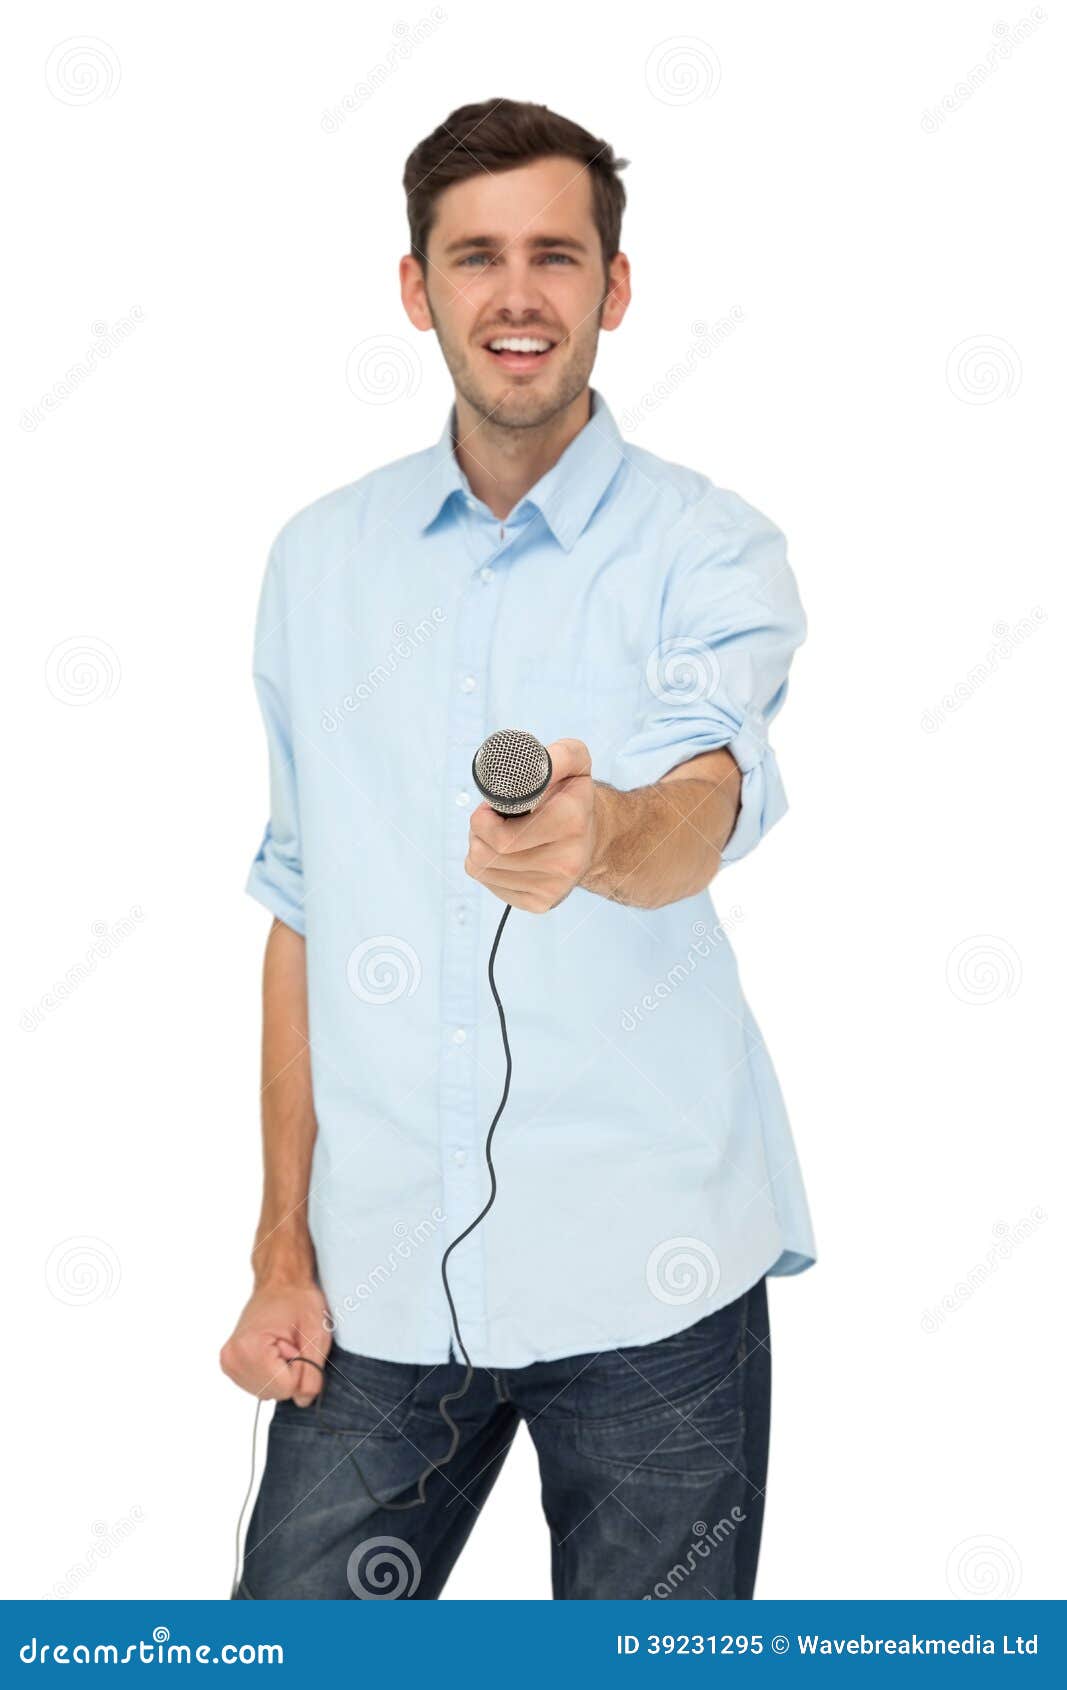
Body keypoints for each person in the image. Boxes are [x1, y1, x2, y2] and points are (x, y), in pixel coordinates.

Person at [221, 97, 815, 1602]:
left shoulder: (712, 548)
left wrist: (605, 831)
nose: (519, 294)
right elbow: (301, 906)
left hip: (655, 1282)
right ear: (418, 290)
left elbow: (707, 800)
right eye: (476, 256)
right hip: (377, 1290)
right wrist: (280, 1243)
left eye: (557, 255)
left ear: (614, 290)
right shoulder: (317, 562)